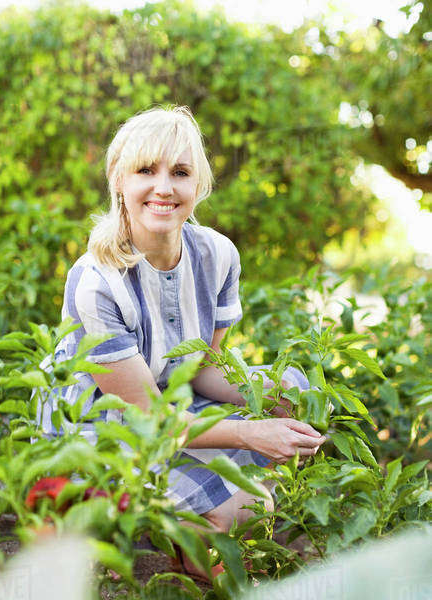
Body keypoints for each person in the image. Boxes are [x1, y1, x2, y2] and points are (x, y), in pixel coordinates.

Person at [48, 105, 326, 578]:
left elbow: (203, 368)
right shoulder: (96, 280)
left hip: (173, 400)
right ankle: (117, 510)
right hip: (105, 420)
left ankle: (177, 514)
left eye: (180, 172)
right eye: (145, 171)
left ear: (199, 185)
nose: (164, 187)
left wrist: (276, 401)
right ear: (119, 180)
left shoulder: (217, 255)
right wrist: (250, 432)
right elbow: (149, 419)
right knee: (229, 519)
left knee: (295, 388)